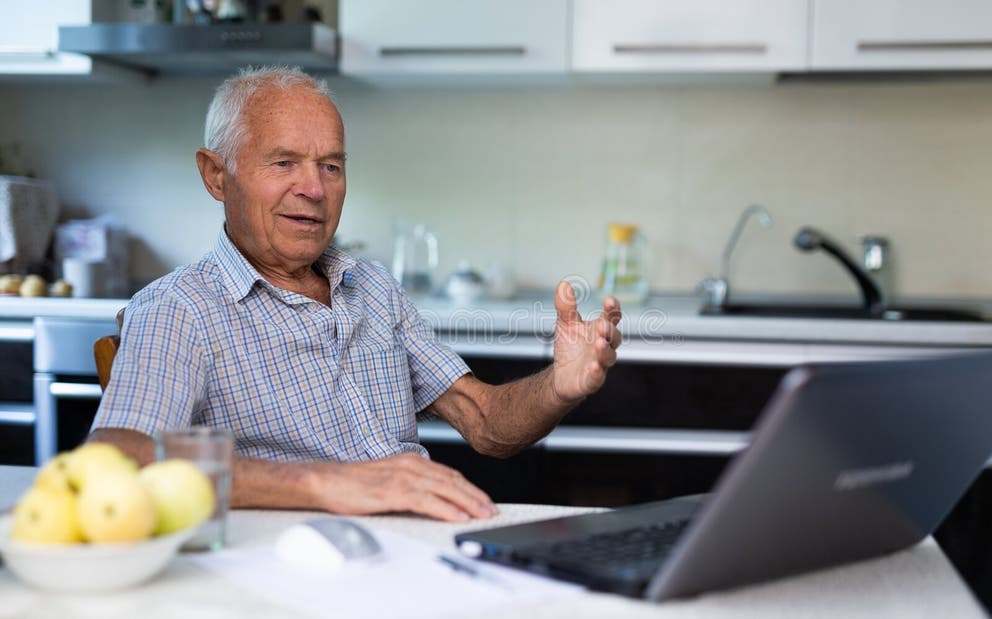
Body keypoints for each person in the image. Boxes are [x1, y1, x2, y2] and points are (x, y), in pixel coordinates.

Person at [89, 66, 623, 522]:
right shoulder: (180, 308)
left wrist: (559, 385)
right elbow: (118, 460)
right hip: (293, 566)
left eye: (331, 166)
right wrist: (325, 483)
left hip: (414, 547)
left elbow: (485, 423)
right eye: (283, 163)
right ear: (215, 175)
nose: (314, 189)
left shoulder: (372, 286)